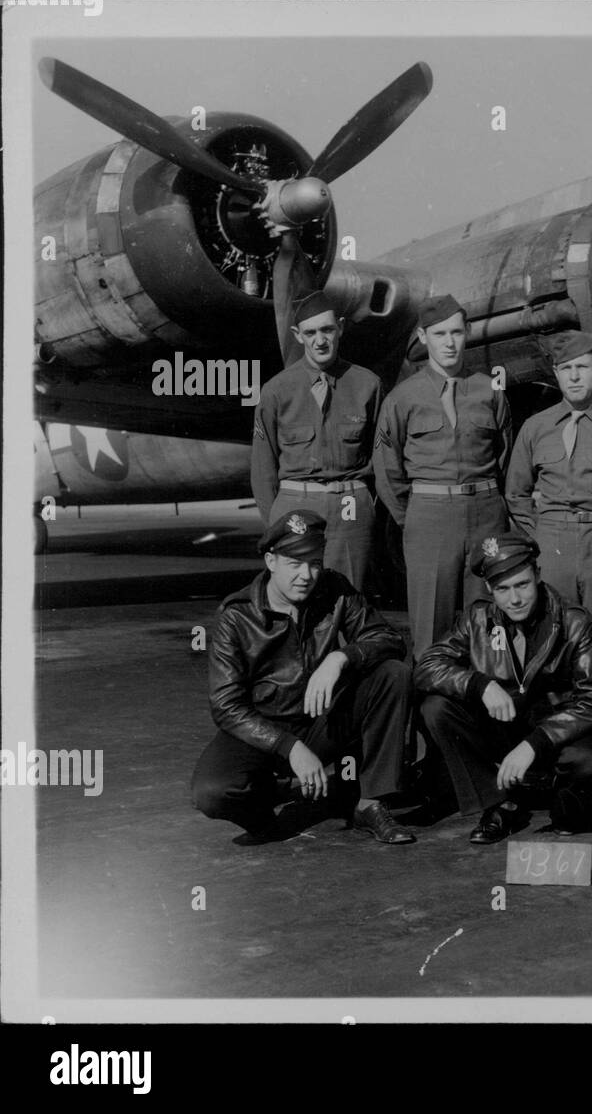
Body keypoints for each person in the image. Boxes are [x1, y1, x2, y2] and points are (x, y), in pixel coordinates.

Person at [192, 511, 415, 845]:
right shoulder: (236, 615)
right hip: (265, 730)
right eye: (294, 564)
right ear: (270, 561)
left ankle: (369, 802)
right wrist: (289, 747)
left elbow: (388, 638)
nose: (306, 575)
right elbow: (226, 706)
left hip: (324, 721)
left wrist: (341, 657)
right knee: (212, 792)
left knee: (392, 674)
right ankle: (282, 799)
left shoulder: (335, 589)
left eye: (314, 563)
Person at [416, 532, 592, 843]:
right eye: (502, 589)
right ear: (489, 589)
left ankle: (554, 794)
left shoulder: (575, 622)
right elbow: (427, 667)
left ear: (538, 575)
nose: (514, 599)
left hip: (553, 736)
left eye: (522, 585)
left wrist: (536, 743)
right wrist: (479, 684)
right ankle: (499, 803)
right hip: (502, 731)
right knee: (436, 707)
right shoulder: (477, 618)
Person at [505, 331, 592, 681]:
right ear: (555, 374)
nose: (573, 376)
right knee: (552, 645)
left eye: (582, 367)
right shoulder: (535, 428)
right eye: (565, 368)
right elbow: (516, 493)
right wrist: (541, 534)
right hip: (551, 547)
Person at [374, 294, 513, 655]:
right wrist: (416, 517)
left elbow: (505, 455)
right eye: (439, 334)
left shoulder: (490, 390)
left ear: (467, 333)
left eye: (456, 332)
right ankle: (430, 705)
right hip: (429, 519)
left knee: (488, 624)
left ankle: (487, 703)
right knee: (431, 628)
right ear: (423, 337)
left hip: (486, 516)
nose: (449, 343)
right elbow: (387, 470)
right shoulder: (403, 398)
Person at [251, 291, 384, 591]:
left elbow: (381, 458)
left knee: (349, 601)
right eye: (310, 333)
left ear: (340, 327)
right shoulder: (276, 391)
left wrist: (367, 506)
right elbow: (262, 470)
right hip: (296, 507)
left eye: (326, 330)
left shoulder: (368, 385)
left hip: (351, 509)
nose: (320, 340)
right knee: (299, 601)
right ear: (298, 335)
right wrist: (278, 524)